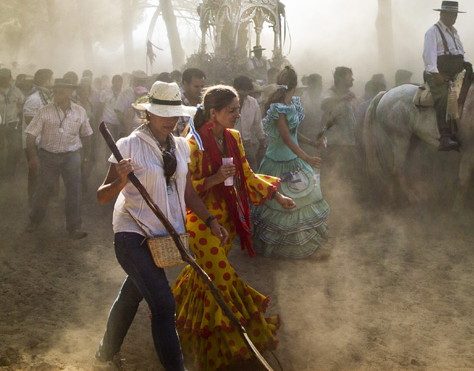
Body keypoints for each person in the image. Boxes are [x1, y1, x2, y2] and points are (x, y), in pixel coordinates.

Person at [93, 81, 228, 371]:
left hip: (165, 235)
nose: (171, 120)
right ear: (149, 114)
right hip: (132, 235)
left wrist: (210, 220)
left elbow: (188, 192)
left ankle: (105, 353)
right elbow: (102, 197)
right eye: (163, 113)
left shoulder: (181, 147)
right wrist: (121, 180)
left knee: (132, 294)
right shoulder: (127, 145)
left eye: (175, 113)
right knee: (164, 306)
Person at [172, 84, 297, 370]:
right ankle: (237, 340)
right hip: (201, 222)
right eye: (232, 110)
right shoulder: (192, 144)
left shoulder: (235, 138)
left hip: (227, 220)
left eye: (238, 109)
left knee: (204, 279)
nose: (237, 115)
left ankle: (178, 325)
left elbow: (247, 174)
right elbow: (185, 191)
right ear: (212, 113)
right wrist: (215, 179)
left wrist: (277, 194)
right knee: (222, 279)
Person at [251, 67, 329, 258]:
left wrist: (311, 143)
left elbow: (293, 134)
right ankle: (283, 247)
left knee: (298, 201)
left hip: (291, 159)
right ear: (295, 85)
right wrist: (307, 158)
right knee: (285, 203)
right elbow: (286, 138)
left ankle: (297, 244)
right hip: (279, 162)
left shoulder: (290, 103)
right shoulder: (279, 107)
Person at [25, 78, 93, 238]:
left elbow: (87, 136)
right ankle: (35, 220)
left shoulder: (80, 111)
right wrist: (33, 157)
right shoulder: (44, 111)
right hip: (48, 155)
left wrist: (85, 159)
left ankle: (74, 227)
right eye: (55, 91)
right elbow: (30, 136)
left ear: (70, 93)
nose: (56, 95)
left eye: (61, 92)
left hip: (72, 155)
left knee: (74, 192)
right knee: (43, 189)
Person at [423, 0, 470, 151]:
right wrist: (435, 74)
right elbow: (428, 56)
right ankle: (445, 136)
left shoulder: (454, 32)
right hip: (438, 72)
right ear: (442, 14)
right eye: (450, 14)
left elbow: (459, 52)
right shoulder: (432, 32)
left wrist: (466, 63)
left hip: (455, 72)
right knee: (443, 95)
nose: (453, 17)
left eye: (455, 15)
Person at [321, 66, 360, 191]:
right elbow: (324, 104)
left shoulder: (347, 96)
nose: (352, 79)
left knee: (348, 176)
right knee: (335, 175)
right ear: (340, 79)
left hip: (348, 142)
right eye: (349, 77)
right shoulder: (331, 93)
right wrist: (343, 98)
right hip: (335, 144)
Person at [233, 75, 266, 172]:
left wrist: (262, 144)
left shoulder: (252, 102)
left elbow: (258, 125)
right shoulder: (227, 102)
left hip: (247, 143)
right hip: (230, 143)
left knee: (252, 170)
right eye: (240, 93)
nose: (242, 96)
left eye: (245, 93)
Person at [0, 68, 25, 176]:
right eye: (1, 78)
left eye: (5, 78)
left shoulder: (16, 91)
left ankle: (10, 172)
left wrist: (17, 116)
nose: (3, 80)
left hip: (12, 122)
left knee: (14, 147)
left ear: (10, 78)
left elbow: (20, 104)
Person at [97, 74, 124, 141]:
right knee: (110, 143)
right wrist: (99, 121)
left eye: (119, 82)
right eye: (116, 82)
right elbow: (100, 107)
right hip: (108, 121)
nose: (118, 84)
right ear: (113, 83)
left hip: (120, 122)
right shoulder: (105, 92)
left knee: (119, 142)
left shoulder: (124, 93)